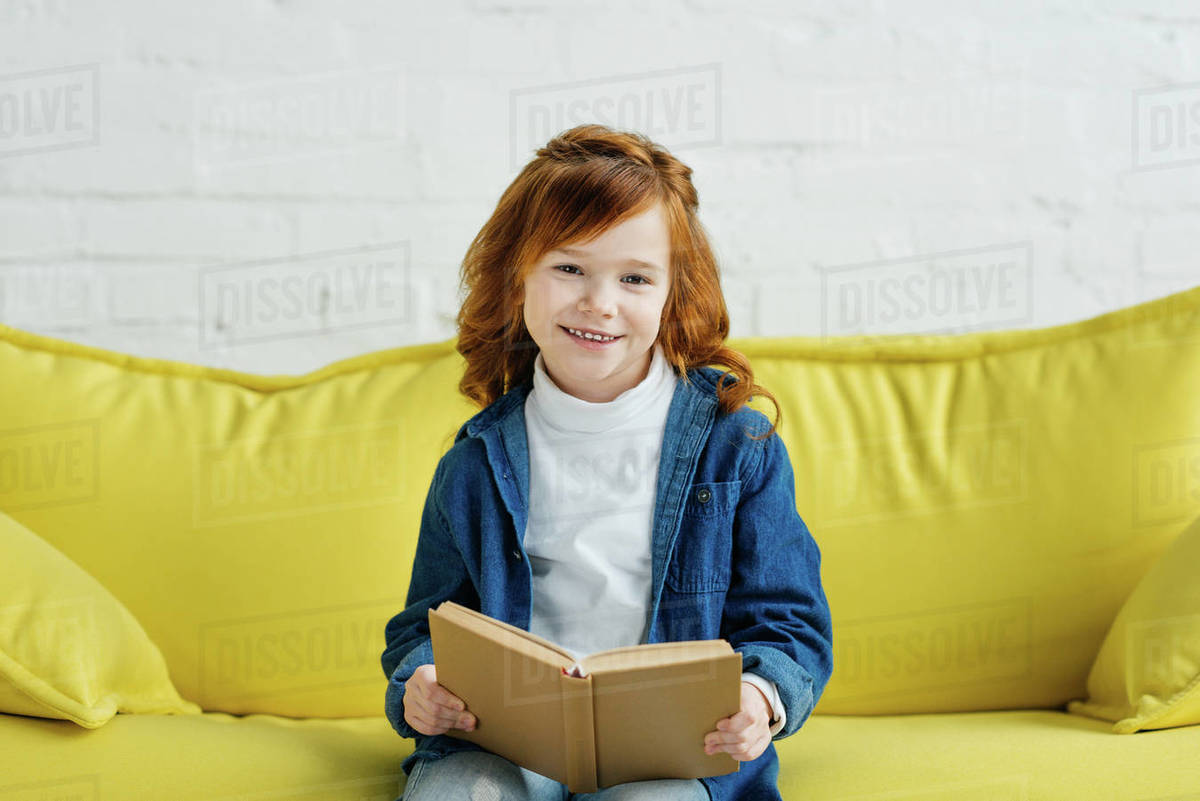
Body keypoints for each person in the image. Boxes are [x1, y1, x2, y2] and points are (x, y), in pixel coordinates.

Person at [381, 124, 833, 801]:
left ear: (670, 293)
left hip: (670, 755)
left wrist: (761, 695)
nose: (600, 302)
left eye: (634, 277)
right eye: (570, 268)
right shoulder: (475, 462)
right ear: (518, 277)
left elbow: (790, 623)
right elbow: (423, 627)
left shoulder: (738, 448)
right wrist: (419, 682)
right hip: (504, 743)